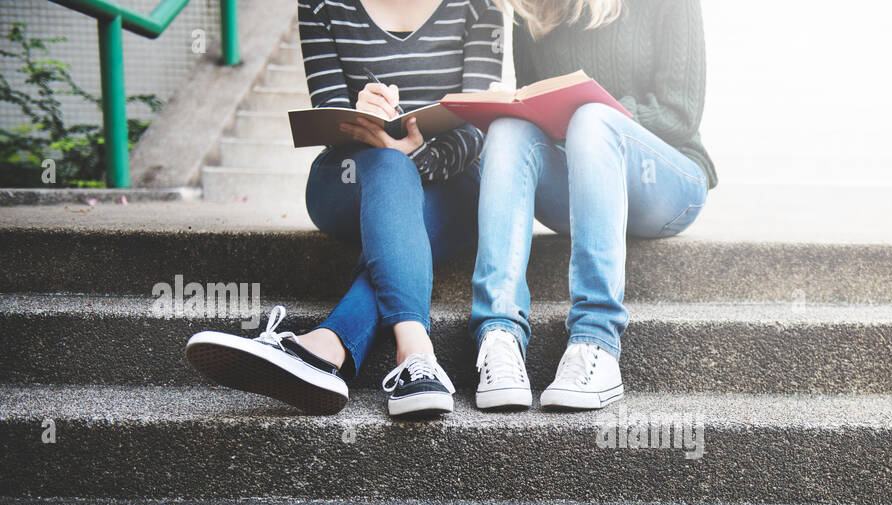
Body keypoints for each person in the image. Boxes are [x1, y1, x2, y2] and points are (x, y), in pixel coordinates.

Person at [186, 0, 504, 417]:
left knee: (402, 181)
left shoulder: (480, 6)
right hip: (352, 174)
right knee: (391, 166)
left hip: (454, 182)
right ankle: (417, 357)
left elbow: (478, 125)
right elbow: (326, 109)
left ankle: (323, 348)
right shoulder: (321, 4)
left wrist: (420, 155)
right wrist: (361, 114)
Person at [470, 0, 716, 410]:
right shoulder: (529, 7)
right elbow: (537, 116)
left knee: (592, 119)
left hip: (667, 181)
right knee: (510, 126)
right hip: (582, 180)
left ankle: (596, 341)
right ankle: (499, 336)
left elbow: (680, 115)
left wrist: (594, 114)